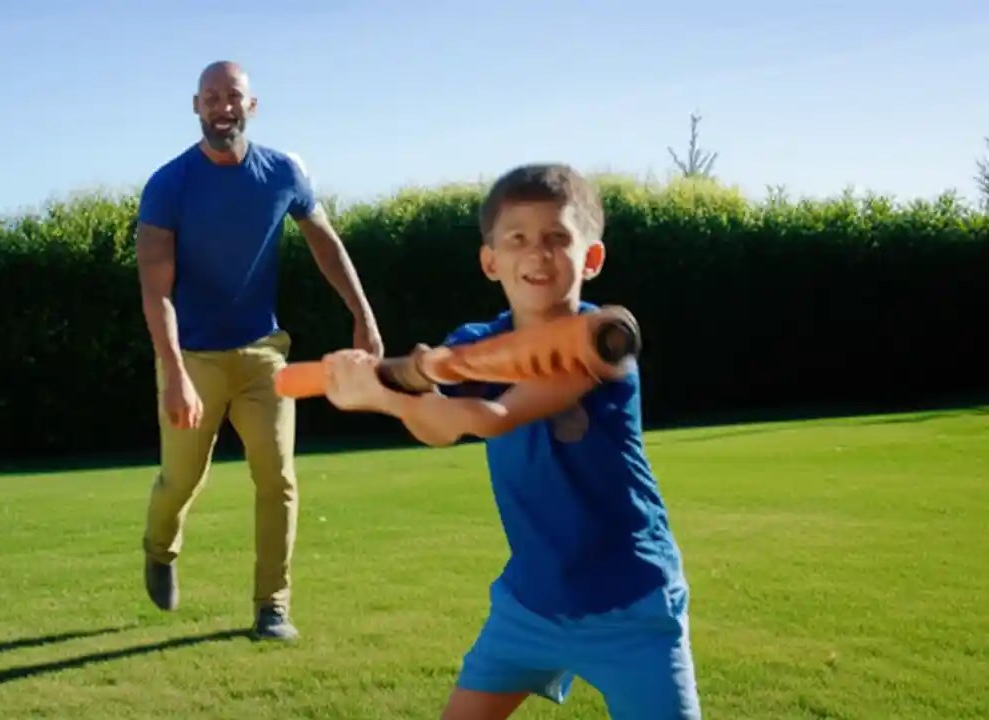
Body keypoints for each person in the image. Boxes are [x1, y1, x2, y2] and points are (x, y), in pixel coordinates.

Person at [320, 163, 701, 718]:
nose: (537, 254)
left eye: (557, 238)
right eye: (517, 239)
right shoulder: (473, 343)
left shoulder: (600, 346)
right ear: (490, 260)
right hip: (531, 605)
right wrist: (394, 382)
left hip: (632, 604)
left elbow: (493, 415)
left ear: (591, 258)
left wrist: (377, 397)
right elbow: (437, 426)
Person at [133, 60, 383, 641]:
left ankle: (273, 607)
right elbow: (155, 291)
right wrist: (173, 373)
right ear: (196, 107)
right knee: (181, 479)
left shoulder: (283, 173)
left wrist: (363, 317)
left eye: (234, 96)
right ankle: (159, 548)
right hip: (191, 357)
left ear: (252, 106)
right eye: (212, 97)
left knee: (278, 476)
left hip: (262, 354)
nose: (223, 106)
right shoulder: (168, 185)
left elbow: (327, 245)